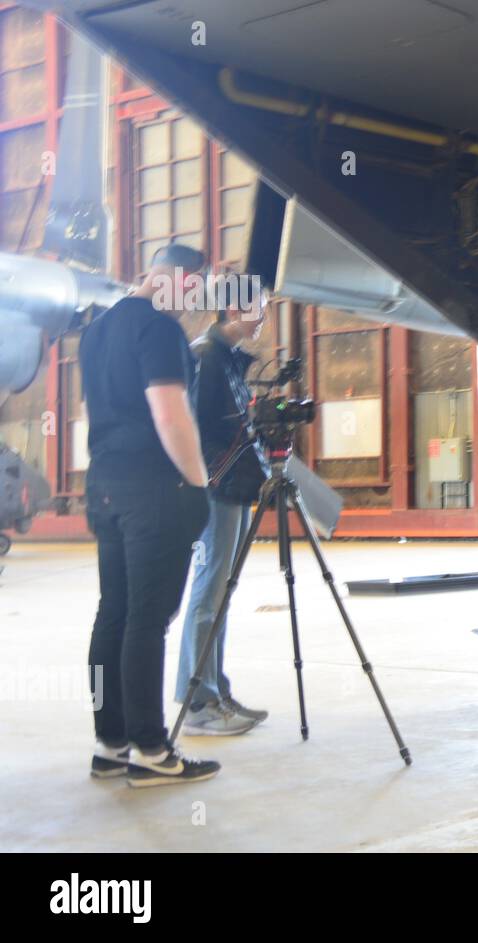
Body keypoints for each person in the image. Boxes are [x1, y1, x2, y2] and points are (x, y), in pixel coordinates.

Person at [82, 244, 220, 787]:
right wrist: (197, 482)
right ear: (179, 280)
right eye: (194, 290)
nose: (192, 304)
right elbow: (170, 412)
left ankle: (110, 743)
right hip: (154, 486)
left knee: (112, 613)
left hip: (105, 484)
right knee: (148, 618)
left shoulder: (99, 328)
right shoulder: (160, 330)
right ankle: (151, 750)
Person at [174, 282, 270, 735]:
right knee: (209, 591)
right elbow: (196, 425)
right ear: (233, 308)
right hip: (218, 486)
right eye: (259, 307)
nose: (264, 315)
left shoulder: (226, 356)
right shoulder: (208, 356)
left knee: (220, 593)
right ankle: (199, 704)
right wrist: (214, 474)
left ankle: (214, 689)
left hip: (233, 483)